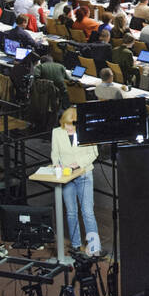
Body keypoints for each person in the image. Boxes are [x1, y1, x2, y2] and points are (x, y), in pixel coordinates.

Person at [50, 106, 101, 255]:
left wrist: (78, 163)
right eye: (66, 126)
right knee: (71, 212)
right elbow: (55, 154)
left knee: (87, 212)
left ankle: (94, 247)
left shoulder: (87, 131)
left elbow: (94, 153)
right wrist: (56, 164)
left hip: (84, 175)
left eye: (71, 126)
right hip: (67, 178)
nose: (69, 129)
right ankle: (76, 245)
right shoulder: (56, 133)